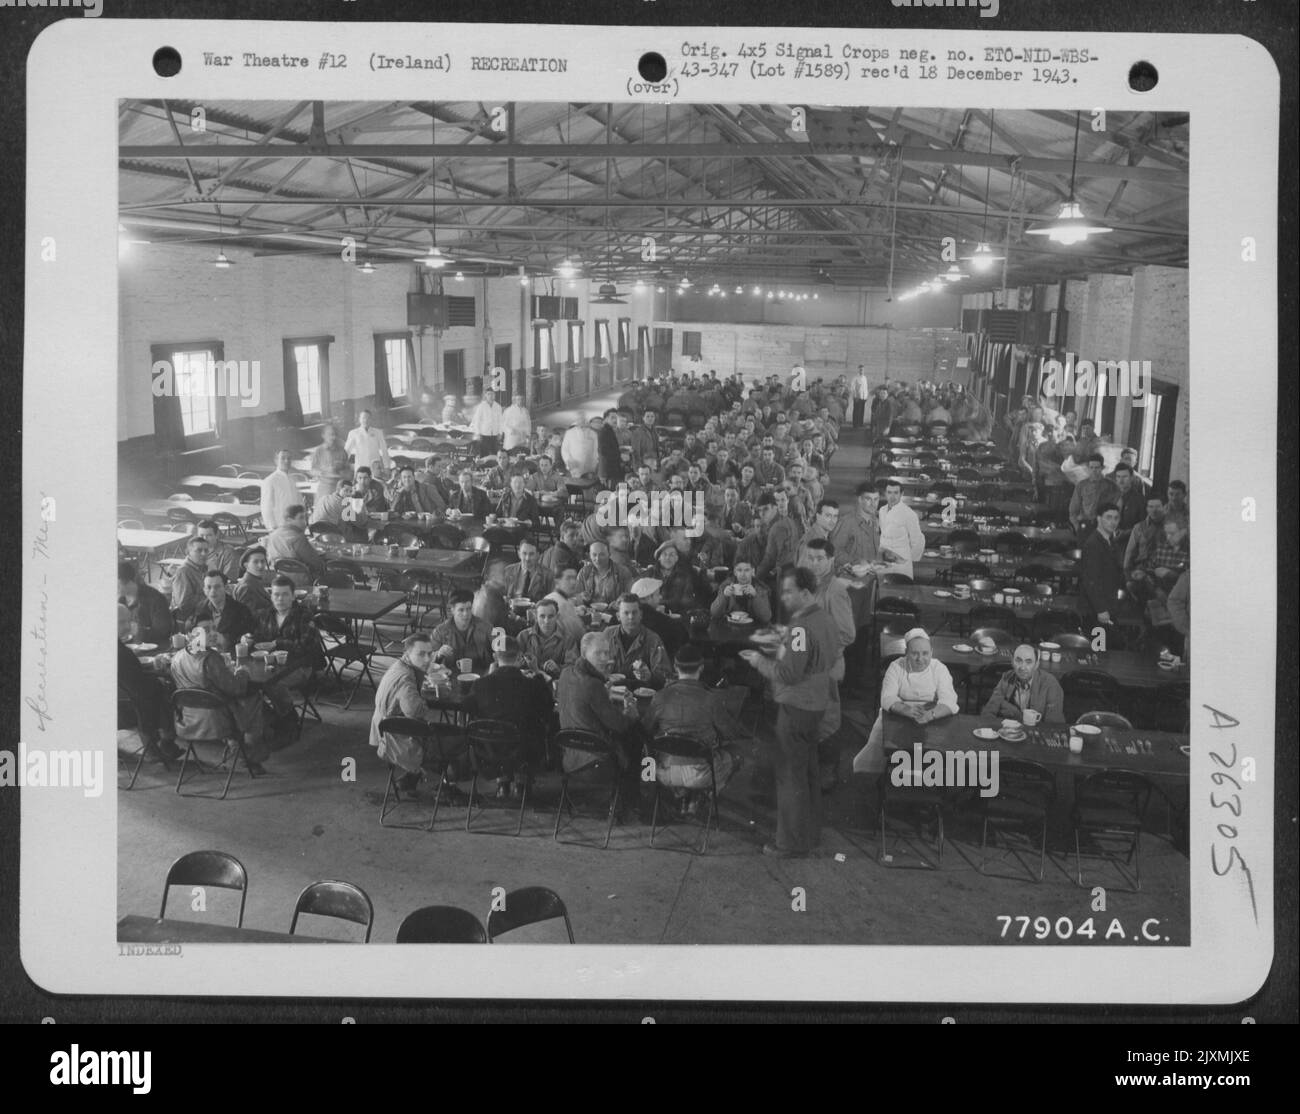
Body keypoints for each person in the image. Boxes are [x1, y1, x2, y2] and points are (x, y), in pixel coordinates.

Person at [739, 567, 842, 858]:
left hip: (796, 707)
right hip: (818, 704)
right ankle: (810, 834)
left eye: (788, 591)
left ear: (805, 593)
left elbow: (789, 673)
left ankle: (789, 843)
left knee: (789, 776)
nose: (783, 597)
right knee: (808, 772)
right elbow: (824, 655)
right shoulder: (825, 618)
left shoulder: (800, 628)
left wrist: (758, 660)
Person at [644, 644, 744, 805]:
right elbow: (731, 733)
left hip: (663, 773)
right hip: (700, 774)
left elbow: (645, 730)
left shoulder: (660, 697)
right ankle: (703, 797)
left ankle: (678, 793)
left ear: (675, 667)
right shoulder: (711, 699)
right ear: (701, 668)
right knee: (737, 754)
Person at [852, 628, 959, 776]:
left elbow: (949, 700)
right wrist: (906, 710)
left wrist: (930, 715)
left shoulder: (939, 668)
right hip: (897, 717)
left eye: (925, 653)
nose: (920, 659)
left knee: (937, 754)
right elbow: (887, 697)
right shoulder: (896, 666)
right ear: (906, 653)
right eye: (915, 653)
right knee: (883, 753)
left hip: (932, 717)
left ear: (932, 652)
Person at [169, 620, 269, 775]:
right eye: (205, 630)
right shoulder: (210, 658)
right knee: (254, 698)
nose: (212, 633)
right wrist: (242, 672)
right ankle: (250, 757)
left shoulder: (177, 657)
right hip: (218, 721)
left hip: (187, 720)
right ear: (189, 635)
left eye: (213, 629)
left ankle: (236, 745)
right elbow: (235, 688)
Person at [370, 632, 465, 794]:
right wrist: (424, 701)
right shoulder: (405, 680)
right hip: (398, 741)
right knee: (459, 739)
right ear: (407, 654)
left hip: (385, 731)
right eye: (421, 654)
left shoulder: (399, 666)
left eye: (430, 653)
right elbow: (415, 712)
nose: (427, 659)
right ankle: (447, 786)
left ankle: (412, 777)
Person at [469, 637, 555, 789]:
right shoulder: (533, 685)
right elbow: (548, 709)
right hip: (524, 751)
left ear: (495, 657)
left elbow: (468, 707)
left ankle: (503, 781)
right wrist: (537, 672)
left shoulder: (480, 684)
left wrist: (488, 676)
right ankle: (522, 783)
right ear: (519, 657)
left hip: (489, 750)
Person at [255, 575, 323, 738]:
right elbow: (259, 638)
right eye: (276, 594)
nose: (280, 599)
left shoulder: (304, 615)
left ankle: (289, 719)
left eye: (285, 594)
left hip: (301, 667)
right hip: (272, 666)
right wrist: (249, 639)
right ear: (271, 596)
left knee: (272, 685)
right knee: (250, 684)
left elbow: (306, 647)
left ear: (293, 596)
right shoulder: (266, 615)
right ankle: (271, 717)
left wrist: (278, 643)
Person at [601, 593, 672, 689]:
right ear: (618, 616)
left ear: (641, 615)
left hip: (639, 693)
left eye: (634, 612)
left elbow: (665, 676)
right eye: (626, 613)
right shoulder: (607, 634)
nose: (631, 617)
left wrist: (650, 677)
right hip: (610, 690)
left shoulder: (653, 640)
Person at [982, 644, 1066, 723]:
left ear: (1036, 665)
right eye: (1018, 661)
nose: (1022, 667)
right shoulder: (1007, 678)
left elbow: (1053, 725)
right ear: (1012, 662)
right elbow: (989, 711)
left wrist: (1014, 713)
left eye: (1028, 662)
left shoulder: (1050, 684)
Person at [800, 539, 856, 652]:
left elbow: (847, 635)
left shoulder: (835, 591)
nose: (814, 563)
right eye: (810, 558)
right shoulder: (811, 586)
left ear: (831, 560)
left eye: (820, 559)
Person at [1077, 503, 1126, 629]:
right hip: (1095, 609)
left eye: (1116, 518)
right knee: (1098, 640)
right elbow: (1090, 580)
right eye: (1108, 517)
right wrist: (1101, 609)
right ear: (1099, 519)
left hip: (1108, 603)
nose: (1113, 522)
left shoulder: (1111, 541)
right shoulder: (1093, 544)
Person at [429, 589, 495, 673]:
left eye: (469, 609)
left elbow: (501, 653)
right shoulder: (440, 632)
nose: (466, 614)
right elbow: (428, 662)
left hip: (481, 675)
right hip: (450, 675)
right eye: (461, 610)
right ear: (452, 610)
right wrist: (438, 655)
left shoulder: (486, 628)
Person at [188, 570, 257, 648]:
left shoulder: (241, 610)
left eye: (217, 587)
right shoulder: (199, 609)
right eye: (209, 587)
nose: (213, 591)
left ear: (226, 588)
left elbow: (248, 638)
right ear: (204, 590)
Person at [629, 577, 690, 658]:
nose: (661, 597)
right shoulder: (656, 618)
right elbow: (682, 634)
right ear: (648, 597)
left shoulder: (630, 615)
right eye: (657, 594)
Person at [264, 505, 328, 581]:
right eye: (301, 518)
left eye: (305, 517)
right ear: (289, 520)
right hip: (303, 579)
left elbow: (270, 559)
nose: (305, 522)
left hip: (280, 577)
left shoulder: (273, 535)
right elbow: (315, 562)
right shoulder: (298, 537)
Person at [518, 597, 577, 679]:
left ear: (557, 616)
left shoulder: (568, 639)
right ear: (536, 617)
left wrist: (558, 668)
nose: (546, 621)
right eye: (542, 616)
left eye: (551, 616)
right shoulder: (523, 636)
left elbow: (574, 668)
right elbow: (513, 662)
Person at [877, 480, 925, 579]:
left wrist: (908, 558)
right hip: (884, 556)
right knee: (883, 584)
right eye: (889, 492)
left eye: (896, 493)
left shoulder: (909, 513)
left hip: (902, 557)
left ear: (901, 494)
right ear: (885, 494)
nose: (892, 496)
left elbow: (917, 540)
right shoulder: (882, 510)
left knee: (901, 585)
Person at [118, 561, 173, 646]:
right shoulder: (121, 600)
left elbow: (164, 632)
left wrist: (139, 631)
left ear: (126, 581)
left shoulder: (155, 599)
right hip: (127, 648)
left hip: (154, 650)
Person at [829, 482, 881, 567]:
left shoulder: (876, 521)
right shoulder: (846, 522)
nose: (873, 504)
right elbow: (834, 551)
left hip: (874, 570)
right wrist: (856, 562)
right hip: (853, 572)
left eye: (876, 499)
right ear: (860, 500)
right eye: (868, 499)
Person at [754, 492, 800, 586]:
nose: (762, 514)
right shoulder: (788, 520)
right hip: (793, 571)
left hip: (784, 575)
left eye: (766, 509)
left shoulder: (777, 527)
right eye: (760, 510)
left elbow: (769, 559)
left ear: (775, 507)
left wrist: (754, 578)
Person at [1069, 454, 1120, 536]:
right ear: (1088, 468)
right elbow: (1073, 510)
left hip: (1105, 526)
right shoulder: (1081, 485)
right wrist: (1077, 527)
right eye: (1091, 467)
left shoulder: (1112, 486)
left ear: (1102, 468)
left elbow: (1117, 507)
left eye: (1097, 468)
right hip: (1085, 526)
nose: (1094, 470)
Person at [709, 558, 772, 623]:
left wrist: (755, 596)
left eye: (747, 570)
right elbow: (714, 613)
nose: (743, 574)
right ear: (735, 572)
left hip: (754, 627)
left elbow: (766, 618)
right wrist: (724, 596)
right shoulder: (726, 586)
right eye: (739, 570)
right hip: (730, 626)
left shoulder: (760, 588)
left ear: (753, 571)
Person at [577, 540, 634, 612]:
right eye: (594, 555)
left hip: (615, 613)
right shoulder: (584, 572)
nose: (597, 559)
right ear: (589, 555)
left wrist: (620, 602)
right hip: (590, 613)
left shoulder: (623, 572)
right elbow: (576, 597)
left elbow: (631, 596)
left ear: (609, 554)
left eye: (602, 554)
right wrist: (582, 598)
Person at [654, 542, 707, 616]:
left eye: (672, 555)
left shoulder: (684, 576)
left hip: (675, 616)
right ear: (659, 558)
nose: (667, 557)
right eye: (664, 554)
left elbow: (686, 602)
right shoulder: (650, 573)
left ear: (677, 558)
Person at [169, 534, 212, 623]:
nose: (203, 554)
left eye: (206, 550)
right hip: (189, 620)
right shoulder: (183, 572)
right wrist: (210, 595)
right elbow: (184, 605)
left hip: (203, 613)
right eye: (199, 550)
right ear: (188, 552)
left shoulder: (204, 568)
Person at [308, 424, 351, 504]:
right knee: (323, 510)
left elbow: (349, 474)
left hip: (340, 489)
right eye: (330, 434)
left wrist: (341, 472)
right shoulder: (319, 451)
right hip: (324, 489)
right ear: (323, 435)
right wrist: (324, 471)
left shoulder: (342, 451)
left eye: (334, 434)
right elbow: (312, 471)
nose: (333, 437)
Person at [259, 448, 299, 531]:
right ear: (276, 461)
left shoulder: (292, 480)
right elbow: (266, 507)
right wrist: (272, 528)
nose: (286, 461)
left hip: (293, 525)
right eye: (283, 458)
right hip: (278, 526)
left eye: (289, 458)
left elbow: (297, 502)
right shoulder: (270, 480)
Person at [345, 409, 390, 479]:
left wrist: (387, 467)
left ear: (371, 419)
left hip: (375, 468)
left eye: (368, 418)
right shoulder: (353, 433)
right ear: (359, 419)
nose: (366, 420)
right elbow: (347, 451)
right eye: (363, 418)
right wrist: (343, 466)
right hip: (360, 468)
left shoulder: (378, 432)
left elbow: (384, 451)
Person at [232, 546, 274, 619]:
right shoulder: (246, 588)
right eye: (255, 562)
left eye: (263, 561)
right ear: (246, 565)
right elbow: (249, 616)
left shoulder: (253, 581)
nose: (260, 565)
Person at [469, 387, 505, 456]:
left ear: (494, 395)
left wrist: (500, 433)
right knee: (484, 454)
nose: (491, 396)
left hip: (495, 435)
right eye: (489, 394)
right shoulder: (481, 406)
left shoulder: (498, 407)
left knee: (495, 454)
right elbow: (477, 420)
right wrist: (478, 433)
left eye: (492, 394)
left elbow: (501, 421)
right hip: (484, 434)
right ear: (486, 395)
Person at [595, 409, 625, 485]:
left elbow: (610, 448)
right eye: (612, 418)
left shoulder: (609, 430)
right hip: (607, 470)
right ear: (605, 419)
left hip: (611, 468)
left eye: (616, 418)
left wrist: (620, 450)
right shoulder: (604, 432)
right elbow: (603, 452)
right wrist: (620, 455)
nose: (615, 420)